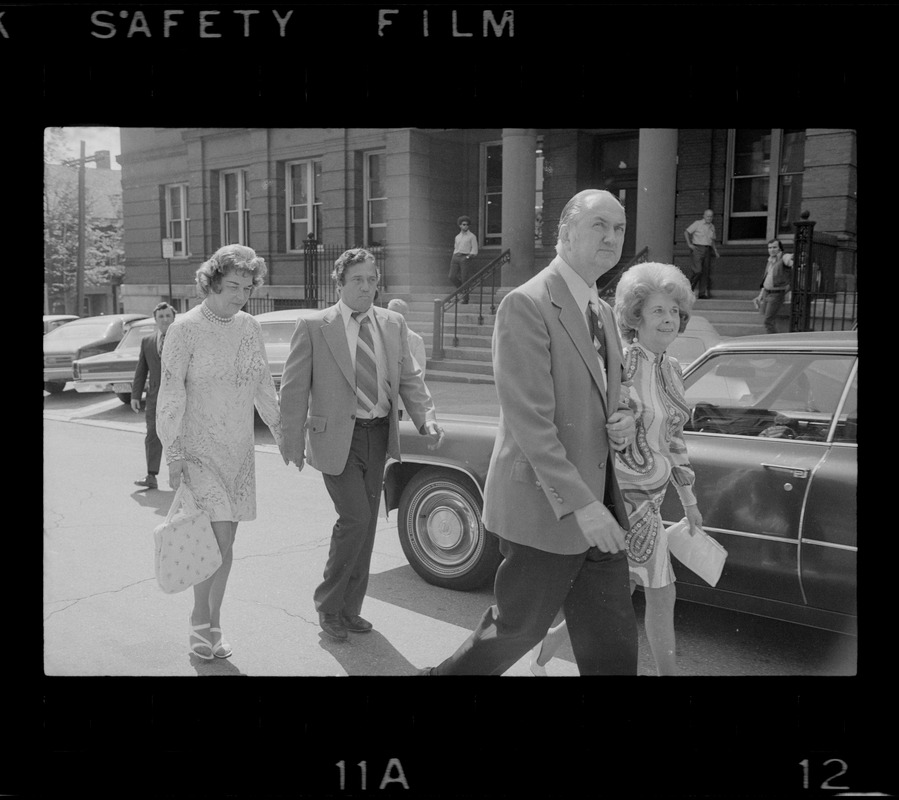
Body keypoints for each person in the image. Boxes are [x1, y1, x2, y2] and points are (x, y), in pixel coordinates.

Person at [420, 189, 638, 676]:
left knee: (611, 641)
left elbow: (604, 395)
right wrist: (585, 506)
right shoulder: (527, 303)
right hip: (549, 508)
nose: (611, 237)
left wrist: (621, 418)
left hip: (600, 506)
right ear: (564, 232)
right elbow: (531, 422)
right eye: (599, 224)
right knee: (516, 630)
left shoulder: (602, 313)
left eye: (619, 228)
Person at [529, 261, 705, 676]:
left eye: (675, 312)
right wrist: (620, 426)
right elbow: (603, 422)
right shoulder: (620, 362)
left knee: (619, 591)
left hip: (655, 499)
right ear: (636, 315)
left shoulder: (675, 369)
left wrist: (689, 500)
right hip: (624, 498)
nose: (668, 320)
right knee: (662, 593)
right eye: (659, 310)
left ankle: (546, 649)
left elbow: (675, 440)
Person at [279, 248, 445, 642]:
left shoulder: (393, 323)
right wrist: (291, 441)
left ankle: (350, 610)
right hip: (336, 439)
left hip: (377, 436)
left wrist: (427, 418)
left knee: (367, 526)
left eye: (372, 280)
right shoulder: (316, 325)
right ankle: (328, 605)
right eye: (358, 280)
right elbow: (294, 388)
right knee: (354, 519)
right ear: (339, 283)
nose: (367, 287)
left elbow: (409, 379)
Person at [156, 244, 284, 660]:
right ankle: (200, 619)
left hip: (238, 452)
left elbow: (263, 383)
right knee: (217, 535)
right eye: (233, 286)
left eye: (248, 288)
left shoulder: (249, 327)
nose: (241, 296)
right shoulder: (185, 328)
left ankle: (213, 621)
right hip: (198, 449)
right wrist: (172, 451)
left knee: (226, 545)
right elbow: (171, 390)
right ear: (211, 282)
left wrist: (285, 435)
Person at [132, 302, 176, 490]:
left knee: (180, 435)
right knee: (152, 435)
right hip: (155, 398)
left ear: (174, 318)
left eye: (168, 316)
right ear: (155, 320)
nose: (165, 319)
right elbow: (141, 370)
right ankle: (151, 476)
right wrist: (135, 395)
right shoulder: (148, 341)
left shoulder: (183, 339)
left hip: (178, 397)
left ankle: (186, 478)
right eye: (161, 316)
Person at [753, 239, 793, 334]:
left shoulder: (783, 258)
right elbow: (766, 278)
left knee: (768, 321)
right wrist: (760, 295)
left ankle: (773, 341)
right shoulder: (770, 260)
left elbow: (789, 259)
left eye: (774, 247)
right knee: (768, 318)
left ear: (780, 248)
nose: (772, 250)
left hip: (776, 294)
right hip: (767, 292)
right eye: (769, 247)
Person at [387, 298, 427, 380]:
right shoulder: (380, 333)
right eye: (389, 313)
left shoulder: (416, 340)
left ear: (404, 316)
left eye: (396, 314)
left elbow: (420, 370)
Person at [684, 209, 719, 299]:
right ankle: (688, 289)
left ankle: (702, 293)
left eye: (711, 216)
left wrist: (715, 251)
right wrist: (689, 244)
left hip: (707, 249)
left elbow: (712, 240)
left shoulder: (712, 227)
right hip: (697, 248)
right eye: (707, 216)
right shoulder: (697, 223)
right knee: (698, 270)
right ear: (703, 216)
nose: (709, 218)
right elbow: (686, 232)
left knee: (705, 273)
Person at [447, 215, 478, 303]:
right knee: (451, 277)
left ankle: (465, 298)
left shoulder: (472, 236)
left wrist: (468, 257)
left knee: (464, 278)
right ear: (460, 225)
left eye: (467, 225)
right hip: (456, 257)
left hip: (465, 257)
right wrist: (454, 256)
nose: (465, 226)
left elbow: (474, 250)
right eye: (463, 224)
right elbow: (456, 247)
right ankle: (463, 290)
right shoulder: (457, 237)